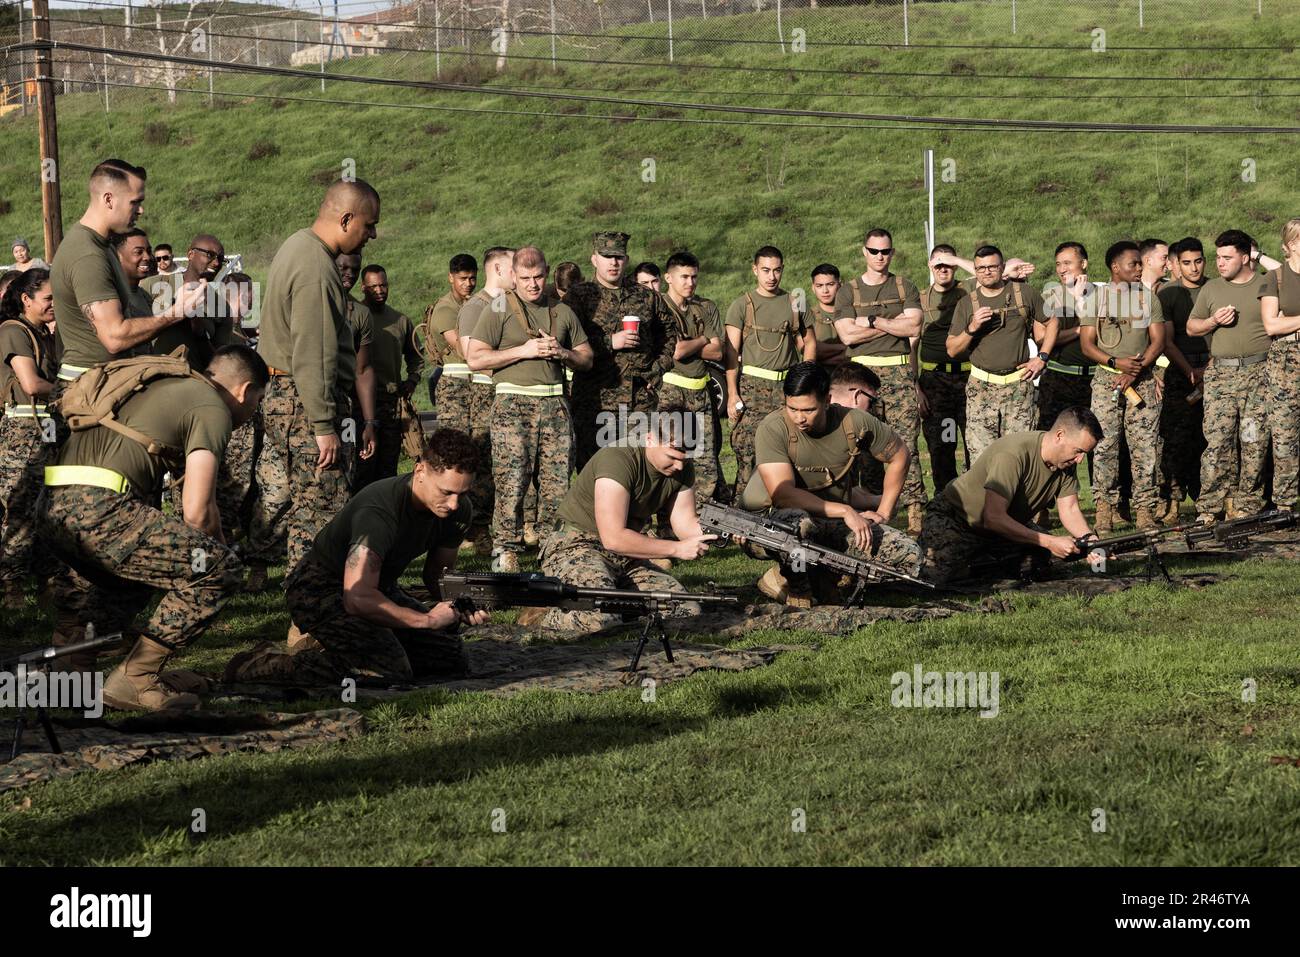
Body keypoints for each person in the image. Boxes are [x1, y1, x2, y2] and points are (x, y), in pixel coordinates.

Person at [37, 345, 268, 710]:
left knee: (139, 575)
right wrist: (219, 558)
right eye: (258, 401)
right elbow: (197, 511)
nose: (254, 410)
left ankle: (72, 666)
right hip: (99, 509)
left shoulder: (162, 386)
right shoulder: (212, 406)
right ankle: (136, 678)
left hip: (51, 509)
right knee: (219, 569)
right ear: (245, 390)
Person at [223, 430, 490, 686]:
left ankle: (362, 642)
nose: (454, 504)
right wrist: (426, 620)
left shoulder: (458, 511)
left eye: (462, 494)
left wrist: (465, 602)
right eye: (446, 492)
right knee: (388, 671)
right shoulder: (380, 511)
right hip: (320, 589)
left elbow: (436, 577)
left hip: (377, 590)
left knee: (449, 657)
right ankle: (261, 664)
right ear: (420, 471)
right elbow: (357, 598)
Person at [255, 179, 378, 580]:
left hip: (290, 395)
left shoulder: (298, 245)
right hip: (307, 401)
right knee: (324, 511)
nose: (372, 235)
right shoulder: (317, 267)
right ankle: (313, 605)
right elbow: (313, 352)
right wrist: (324, 425)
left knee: (308, 507)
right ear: (346, 219)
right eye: (368, 225)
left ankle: (306, 599)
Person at [740, 362, 921, 606]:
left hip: (828, 522)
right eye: (792, 408)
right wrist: (846, 511)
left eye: (809, 410)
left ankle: (826, 576)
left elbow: (900, 455)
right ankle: (795, 586)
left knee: (908, 554)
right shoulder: (773, 428)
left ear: (827, 401)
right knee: (798, 526)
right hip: (772, 525)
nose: (799, 418)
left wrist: (884, 512)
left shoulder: (855, 422)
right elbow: (783, 495)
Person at [466, 246, 593, 571]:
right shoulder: (498, 308)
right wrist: (523, 351)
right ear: (513, 275)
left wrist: (563, 353)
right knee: (511, 481)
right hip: (513, 404)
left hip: (554, 405)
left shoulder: (561, 311)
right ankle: (505, 550)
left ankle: (553, 551)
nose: (533, 284)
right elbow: (475, 358)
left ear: (546, 273)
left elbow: (587, 358)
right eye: (525, 278)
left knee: (556, 485)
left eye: (538, 277)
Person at [535, 405, 714, 634]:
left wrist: (725, 531)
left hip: (627, 554)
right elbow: (613, 538)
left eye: (684, 459)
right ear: (649, 439)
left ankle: (614, 604)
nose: (679, 466)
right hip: (577, 545)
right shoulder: (618, 458)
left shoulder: (682, 467)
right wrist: (677, 549)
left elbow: (686, 523)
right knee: (597, 620)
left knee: (685, 610)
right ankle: (546, 612)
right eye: (672, 457)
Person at [50, 159, 202, 386]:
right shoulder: (88, 255)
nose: (141, 210)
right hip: (91, 388)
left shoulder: (102, 245)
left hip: (105, 381)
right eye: (135, 202)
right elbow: (114, 337)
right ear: (108, 199)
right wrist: (176, 312)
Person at [917, 407, 1102, 585]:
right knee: (930, 577)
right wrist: (1049, 541)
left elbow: (1070, 509)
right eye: (1078, 451)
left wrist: (1090, 541)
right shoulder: (1013, 453)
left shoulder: (1066, 462)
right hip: (957, 520)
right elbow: (993, 518)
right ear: (1060, 435)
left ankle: (983, 559)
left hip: (1002, 526)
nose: (1080, 460)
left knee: (1041, 560)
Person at [833, 228, 927, 532]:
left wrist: (872, 321)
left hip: (898, 375)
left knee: (905, 444)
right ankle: (875, 512)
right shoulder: (849, 291)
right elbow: (847, 335)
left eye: (885, 251)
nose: (880, 257)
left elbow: (914, 327)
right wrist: (892, 324)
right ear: (864, 251)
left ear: (892, 253)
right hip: (860, 377)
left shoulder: (904, 286)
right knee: (863, 446)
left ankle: (915, 514)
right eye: (874, 251)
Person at [1078, 240, 1168, 531]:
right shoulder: (1097, 299)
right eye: (1134, 264)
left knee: (1145, 448)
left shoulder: (1148, 298)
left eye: (1141, 263)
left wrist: (1135, 370)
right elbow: (1087, 345)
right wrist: (1116, 363)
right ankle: (1104, 509)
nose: (1140, 268)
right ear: (1115, 267)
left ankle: (1145, 510)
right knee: (1104, 446)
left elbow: (1158, 340)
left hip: (1142, 380)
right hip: (1107, 381)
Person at [566, 231, 675, 470]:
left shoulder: (645, 296)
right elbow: (567, 341)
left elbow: (668, 331)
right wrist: (609, 342)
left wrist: (658, 369)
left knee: (639, 468)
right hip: (595, 401)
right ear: (594, 259)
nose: (613, 262)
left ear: (626, 259)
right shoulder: (579, 297)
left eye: (618, 257)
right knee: (595, 470)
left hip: (639, 402)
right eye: (607, 256)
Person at [1187, 229, 1273, 523]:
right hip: (1221, 376)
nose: (1220, 263)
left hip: (1258, 375)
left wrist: (1261, 255)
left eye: (1227, 257)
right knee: (1217, 442)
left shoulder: (1267, 284)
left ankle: (1248, 505)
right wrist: (1212, 321)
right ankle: (1209, 507)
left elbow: (1290, 274)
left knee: (1253, 441)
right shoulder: (1211, 288)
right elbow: (1191, 327)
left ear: (1246, 257)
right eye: (1218, 257)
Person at [946, 244, 1054, 463]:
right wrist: (972, 328)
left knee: (1019, 456)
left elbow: (1053, 321)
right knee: (981, 460)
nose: (986, 272)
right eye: (981, 268)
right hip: (981, 389)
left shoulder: (1024, 293)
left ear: (1002, 267)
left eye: (992, 267)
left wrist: (1042, 357)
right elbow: (952, 349)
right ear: (975, 270)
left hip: (1018, 387)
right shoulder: (967, 304)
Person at [725, 245, 816, 502]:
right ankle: (741, 512)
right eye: (765, 270)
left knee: (792, 449)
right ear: (755, 270)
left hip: (786, 388)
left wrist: (806, 376)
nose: (772, 276)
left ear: (783, 270)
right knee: (747, 453)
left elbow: (810, 341)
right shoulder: (741, 305)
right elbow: (731, 353)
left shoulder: (796, 301)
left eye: (777, 270)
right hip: (752, 389)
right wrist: (732, 394)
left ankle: (787, 508)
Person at [0, 268, 57, 606]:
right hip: (23, 433)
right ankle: (12, 588)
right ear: (26, 299)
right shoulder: (13, 331)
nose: (54, 304)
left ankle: (47, 581)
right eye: (48, 298)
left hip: (46, 431)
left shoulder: (43, 332)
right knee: (20, 510)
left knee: (47, 509)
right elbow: (32, 385)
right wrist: (72, 392)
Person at [455, 246, 515, 546]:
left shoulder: (510, 304)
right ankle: (477, 527)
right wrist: (514, 363)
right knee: (485, 462)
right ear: (498, 269)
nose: (518, 273)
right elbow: (471, 355)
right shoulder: (475, 307)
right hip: (486, 392)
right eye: (513, 267)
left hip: (508, 390)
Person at [658, 250, 725, 505]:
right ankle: (667, 517)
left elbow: (717, 351)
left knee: (705, 461)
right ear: (668, 278)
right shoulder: (661, 308)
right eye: (684, 277)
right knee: (672, 456)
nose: (690, 282)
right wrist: (703, 339)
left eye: (694, 277)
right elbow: (676, 350)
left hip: (701, 392)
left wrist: (692, 344)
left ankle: (700, 516)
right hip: (672, 392)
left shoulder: (700, 308)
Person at [1156, 238, 1210, 521]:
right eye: (1187, 263)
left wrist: (1207, 369)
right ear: (1177, 264)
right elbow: (1166, 341)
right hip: (1180, 371)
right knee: (1175, 439)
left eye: (1198, 261)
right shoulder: (1168, 293)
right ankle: (1172, 502)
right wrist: (1190, 370)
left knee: (1211, 438)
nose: (1194, 268)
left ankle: (1210, 500)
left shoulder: (1214, 288)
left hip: (1214, 369)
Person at [356, 264, 422, 488]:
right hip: (359, 403)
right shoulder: (355, 316)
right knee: (362, 465)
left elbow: (416, 355)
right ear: (363, 287)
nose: (379, 290)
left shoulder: (400, 320)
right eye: (373, 286)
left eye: (383, 285)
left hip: (390, 404)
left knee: (388, 467)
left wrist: (412, 380)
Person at [917, 245, 977, 493]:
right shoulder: (921, 299)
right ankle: (946, 499)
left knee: (974, 443)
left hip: (968, 379)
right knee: (943, 444)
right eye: (938, 264)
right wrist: (916, 387)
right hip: (936, 383)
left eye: (948, 264)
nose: (943, 269)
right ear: (930, 266)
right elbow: (911, 344)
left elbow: (988, 272)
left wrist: (954, 259)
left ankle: (975, 499)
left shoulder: (969, 291)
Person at [1259, 217, 1300, 513]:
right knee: (1285, 434)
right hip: (1286, 360)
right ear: (1291, 244)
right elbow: (1272, 325)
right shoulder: (1276, 278)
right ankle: (1285, 503)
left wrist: (1291, 321)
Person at [150, 234, 238, 367]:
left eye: (220, 259)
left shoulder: (222, 307)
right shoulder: (152, 286)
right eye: (209, 255)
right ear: (190, 254)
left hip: (195, 376)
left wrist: (200, 332)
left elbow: (218, 363)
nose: (216, 263)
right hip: (153, 373)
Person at [422, 252, 477, 408]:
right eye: (463, 278)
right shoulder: (445, 309)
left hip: (473, 380)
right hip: (456, 384)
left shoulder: (472, 304)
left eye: (472, 278)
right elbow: (464, 350)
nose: (468, 283)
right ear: (451, 278)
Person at [806, 263, 854, 367]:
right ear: (813, 288)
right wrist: (845, 348)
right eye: (819, 286)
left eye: (830, 284)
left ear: (840, 285)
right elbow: (809, 350)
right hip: (819, 375)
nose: (825, 291)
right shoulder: (807, 317)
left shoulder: (853, 312)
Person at [111, 227, 156, 321]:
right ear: (117, 256)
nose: (147, 257)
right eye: (138, 252)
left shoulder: (144, 295)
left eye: (148, 251)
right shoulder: (111, 298)